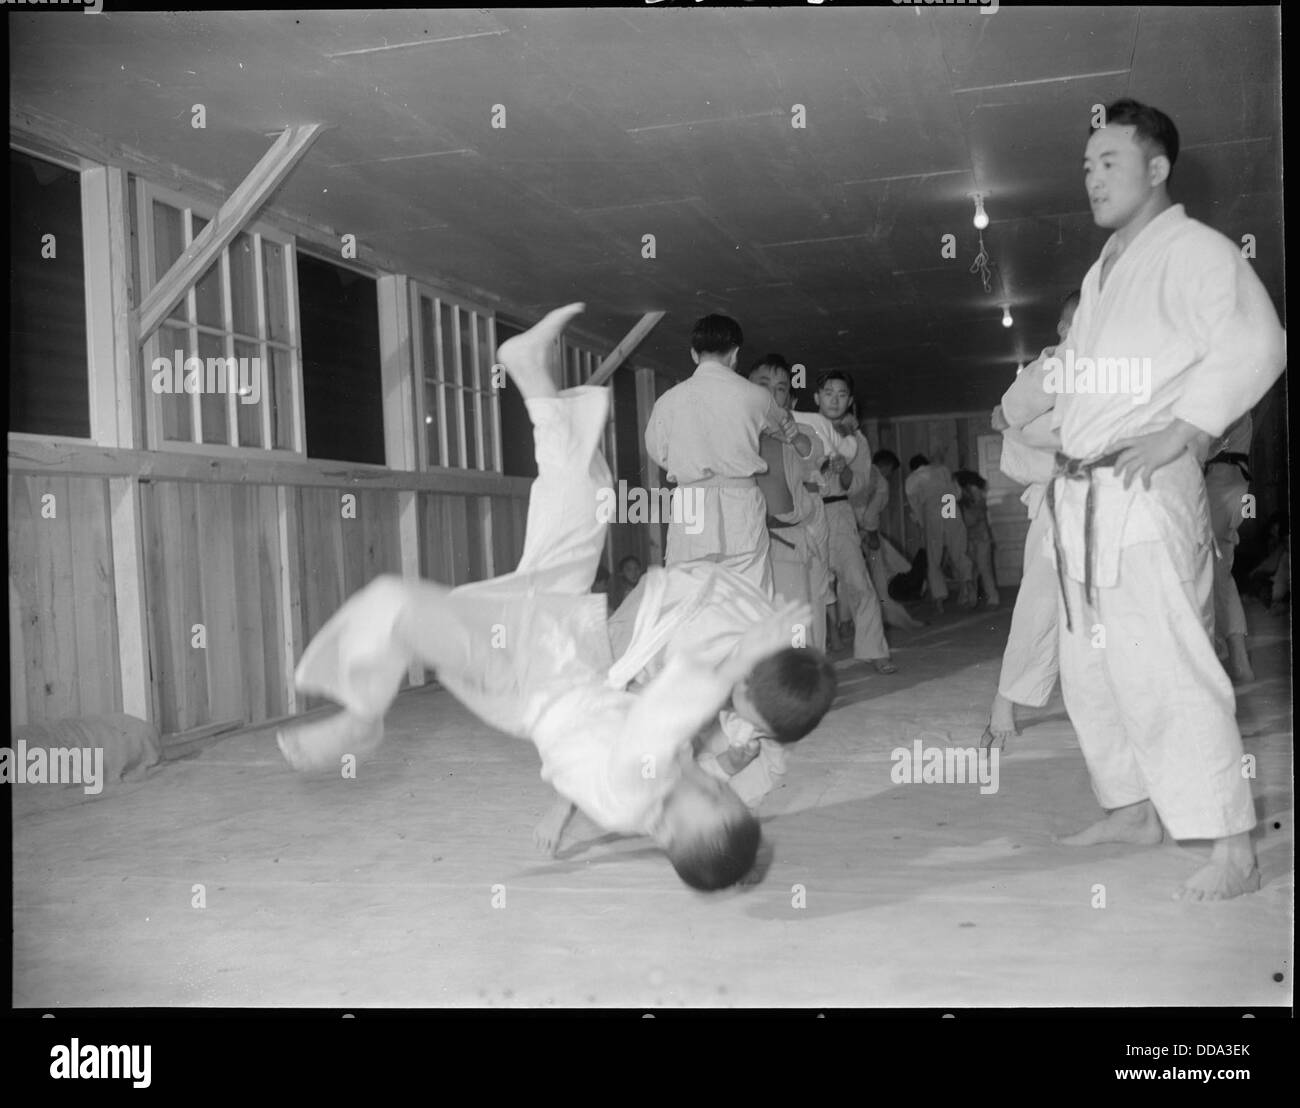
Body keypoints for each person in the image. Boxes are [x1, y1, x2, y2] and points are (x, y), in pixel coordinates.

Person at [277, 304, 818, 892]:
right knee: (588, 496)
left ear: (672, 837)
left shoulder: (634, 792)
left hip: (526, 679)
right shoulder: (664, 784)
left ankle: (362, 715)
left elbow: (664, 716)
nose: (712, 784)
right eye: (720, 791)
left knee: (394, 603)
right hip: (569, 652)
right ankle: (529, 372)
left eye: (711, 797)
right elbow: (663, 730)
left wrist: (740, 661)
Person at [1048, 99, 1284, 900]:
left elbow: (1259, 341)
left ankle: (1233, 846)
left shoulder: (1194, 250)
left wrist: (1187, 430)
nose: (1092, 179)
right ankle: (1133, 806)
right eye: (1086, 166)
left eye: (1109, 162)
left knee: (1174, 669)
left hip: (1147, 491)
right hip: (1086, 497)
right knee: (1093, 670)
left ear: (1157, 168)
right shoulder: (1103, 267)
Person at [644, 315, 811, 596]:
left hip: (691, 501)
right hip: (740, 500)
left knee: (688, 597)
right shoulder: (755, 396)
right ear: (735, 354)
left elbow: (658, 452)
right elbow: (785, 429)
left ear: (694, 354)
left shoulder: (668, 401)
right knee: (748, 599)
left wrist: (693, 462)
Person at [984, 290, 1079, 747]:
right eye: (1078, 323)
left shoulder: (1118, 368)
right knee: (1039, 601)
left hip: (1109, 500)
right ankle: (1006, 699)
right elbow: (1011, 411)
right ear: (1062, 329)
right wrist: (1012, 420)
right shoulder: (1057, 362)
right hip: (1059, 498)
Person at [809, 372, 896, 673]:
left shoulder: (857, 440)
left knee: (860, 584)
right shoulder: (804, 429)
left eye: (841, 394)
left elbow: (859, 486)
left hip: (840, 513)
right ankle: (811, 662)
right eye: (828, 392)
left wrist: (843, 470)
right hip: (807, 516)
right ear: (817, 397)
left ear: (850, 400)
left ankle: (875, 651)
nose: (834, 399)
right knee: (811, 591)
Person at [747, 355, 829, 647]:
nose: (772, 392)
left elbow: (814, 456)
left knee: (795, 623)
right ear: (747, 389)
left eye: (781, 388)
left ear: (789, 398)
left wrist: (793, 437)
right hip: (746, 543)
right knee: (751, 624)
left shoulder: (803, 434)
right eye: (763, 384)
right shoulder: (739, 432)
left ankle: (803, 687)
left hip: (786, 539)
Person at [1203, 414, 1255, 682]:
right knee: (1221, 570)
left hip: (1220, 486)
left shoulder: (1228, 401)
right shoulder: (1244, 407)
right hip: (1241, 490)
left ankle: (1233, 656)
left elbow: (1205, 446)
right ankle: (1234, 655)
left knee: (1213, 572)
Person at [857, 449, 925, 629]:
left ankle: (857, 621)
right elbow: (870, 513)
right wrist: (872, 535)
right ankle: (888, 618)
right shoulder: (880, 482)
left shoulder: (860, 472)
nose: (890, 475)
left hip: (851, 531)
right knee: (878, 579)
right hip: (866, 533)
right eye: (891, 471)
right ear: (886, 466)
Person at [905, 454, 974, 613]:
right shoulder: (943, 469)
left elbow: (914, 505)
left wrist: (922, 524)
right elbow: (957, 493)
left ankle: (939, 598)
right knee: (958, 547)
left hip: (932, 509)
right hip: (949, 503)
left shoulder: (912, 479)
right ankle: (968, 579)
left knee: (933, 556)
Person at [954, 470, 1000, 607]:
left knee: (983, 567)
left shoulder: (974, 491)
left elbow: (976, 515)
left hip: (980, 536)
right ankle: (971, 598)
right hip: (968, 535)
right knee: (971, 569)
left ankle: (992, 598)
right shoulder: (955, 494)